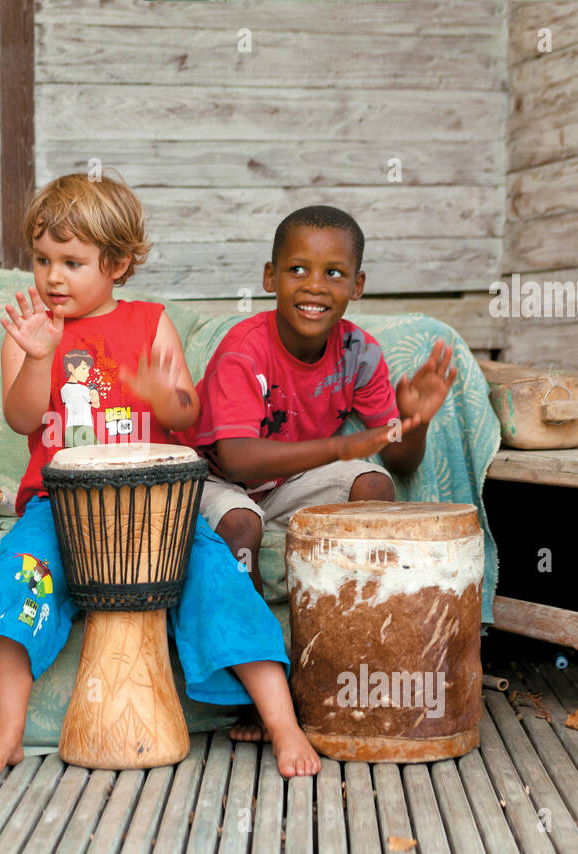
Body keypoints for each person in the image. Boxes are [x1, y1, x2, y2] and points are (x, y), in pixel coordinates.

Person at [0, 174, 319, 782]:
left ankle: (284, 725)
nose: (52, 278)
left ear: (119, 263)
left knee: (223, 584)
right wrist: (38, 356)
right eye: (43, 260)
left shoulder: (151, 324)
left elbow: (187, 415)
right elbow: (21, 418)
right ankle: (8, 730)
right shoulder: (30, 332)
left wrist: (165, 395)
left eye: (72, 262)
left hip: (161, 507)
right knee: (17, 580)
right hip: (60, 503)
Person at [190, 205, 456, 741]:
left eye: (333, 272)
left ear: (356, 285)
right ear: (270, 277)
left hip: (290, 482)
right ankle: (256, 695)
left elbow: (401, 461)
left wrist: (413, 422)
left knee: (373, 483)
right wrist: (338, 445)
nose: (315, 285)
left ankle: (358, 652)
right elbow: (238, 458)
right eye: (297, 270)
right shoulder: (245, 348)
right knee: (243, 525)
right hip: (216, 479)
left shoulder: (359, 353)